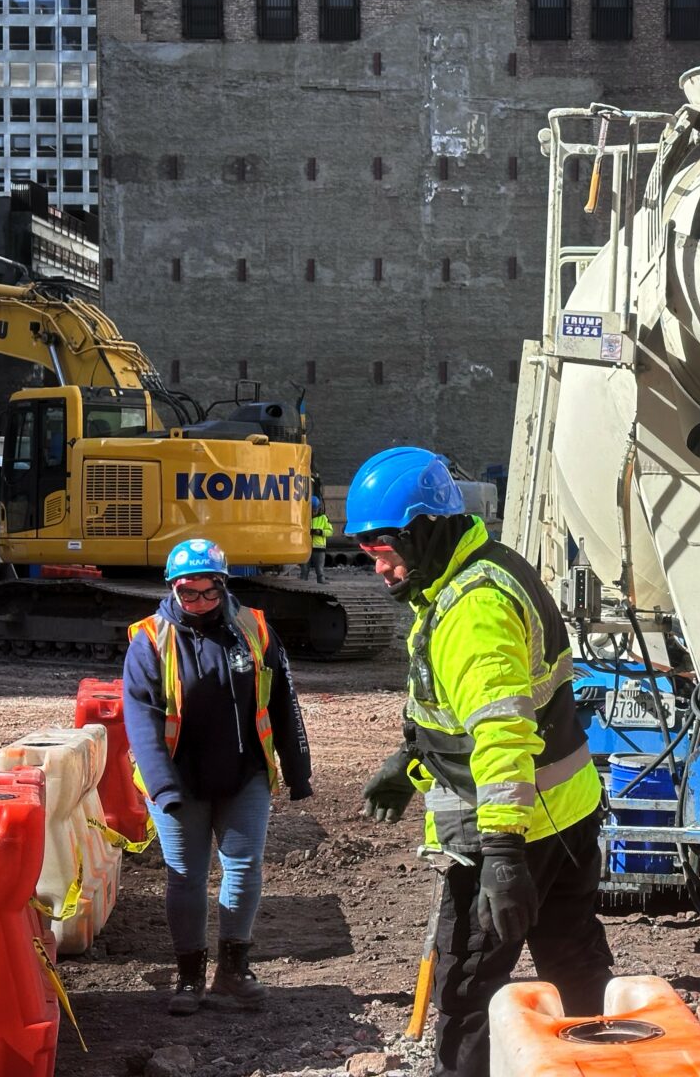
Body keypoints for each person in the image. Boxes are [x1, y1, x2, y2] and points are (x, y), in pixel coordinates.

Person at [348, 446, 613, 1077]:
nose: (377, 565)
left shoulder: (472, 608)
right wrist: (411, 758)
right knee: (575, 963)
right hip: (564, 810)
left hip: (511, 824)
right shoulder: (483, 569)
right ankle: (602, 1067)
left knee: (469, 989)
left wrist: (502, 853)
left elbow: (499, 733)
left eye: (383, 547)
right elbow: (455, 711)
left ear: (425, 529)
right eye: (364, 549)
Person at [123, 537, 313, 1016]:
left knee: (245, 867)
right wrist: (162, 787)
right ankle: (189, 978)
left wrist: (298, 770)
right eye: (189, 593)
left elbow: (283, 702)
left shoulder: (255, 630)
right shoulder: (150, 640)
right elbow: (140, 719)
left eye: (210, 591)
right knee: (186, 876)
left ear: (224, 586)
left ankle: (233, 971)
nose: (200, 602)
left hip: (244, 775)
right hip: (177, 781)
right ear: (172, 588)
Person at [301, 495, 333, 584]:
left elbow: (330, 531)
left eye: (314, 510)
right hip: (306, 547)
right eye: (311, 511)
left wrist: (320, 532)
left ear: (319, 508)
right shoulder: (304, 518)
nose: (313, 513)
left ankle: (321, 579)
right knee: (304, 567)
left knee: (319, 567)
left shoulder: (323, 518)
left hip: (319, 548)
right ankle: (303, 580)